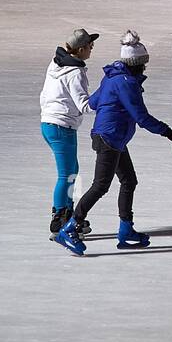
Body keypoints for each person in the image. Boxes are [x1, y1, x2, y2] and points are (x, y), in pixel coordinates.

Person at [54, 31, 172, 257]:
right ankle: (69, 228)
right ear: (136, 64)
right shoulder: (125, 83)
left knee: (129, 180)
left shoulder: (113, 77)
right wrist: (169, 133)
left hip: (113, 138)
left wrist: (109, 102)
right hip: (109, 138)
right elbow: (141, 117)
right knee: (100, 186)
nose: (145, 68)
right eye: (144, 64)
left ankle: (126, 230)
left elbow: (94, 102)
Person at [41, 28, 98, 236]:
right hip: (61, 126)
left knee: (72, 171)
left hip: (48, 123)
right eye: (90, 47)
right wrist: (107, 95)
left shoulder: (55, 63)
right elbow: (84, 105)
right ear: (81, 49)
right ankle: (58, 219)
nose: (92, 50)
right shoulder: (75, 73)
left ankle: (68, 214)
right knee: (66, 175)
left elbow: (45, 93)